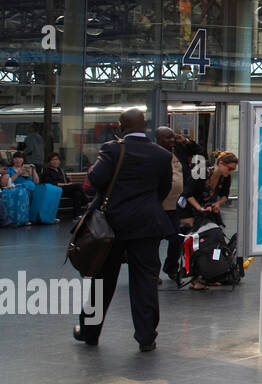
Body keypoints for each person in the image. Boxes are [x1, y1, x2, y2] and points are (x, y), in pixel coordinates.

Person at [73, 109, 174, 351]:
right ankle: (146, 337)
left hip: (111, 225)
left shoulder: (112, 149)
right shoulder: (161, 155)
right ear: (145, 127)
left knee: (103, 280)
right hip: (148, 225)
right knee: (145, 281)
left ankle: (89, 331)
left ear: (120, 127)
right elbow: (165, 188)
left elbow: (96, 179)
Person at [183, 151, 237, 290]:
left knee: (211, 241)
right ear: (220, 163)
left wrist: (217, 204)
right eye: (229, 168)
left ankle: (207, 275)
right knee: (197, 241)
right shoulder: (200, 172)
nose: (230, 172)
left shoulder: (225, 178)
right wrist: (199, 208)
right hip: (190, 209)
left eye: (233, 170)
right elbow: (188, 194)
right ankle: (194, 276)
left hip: (208, 210)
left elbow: (225, 195)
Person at [154, 128, 188, 285]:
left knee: (177, 237)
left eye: (173, 137)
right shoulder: (153, 153)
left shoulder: (178, 152)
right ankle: (153, 272)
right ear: (159, 138)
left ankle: (171, 268)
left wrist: (185, 140)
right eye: (168, 138)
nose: (172, 140)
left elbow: (198, 152)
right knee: (153, 241)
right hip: (158, 207)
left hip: (175, 207)